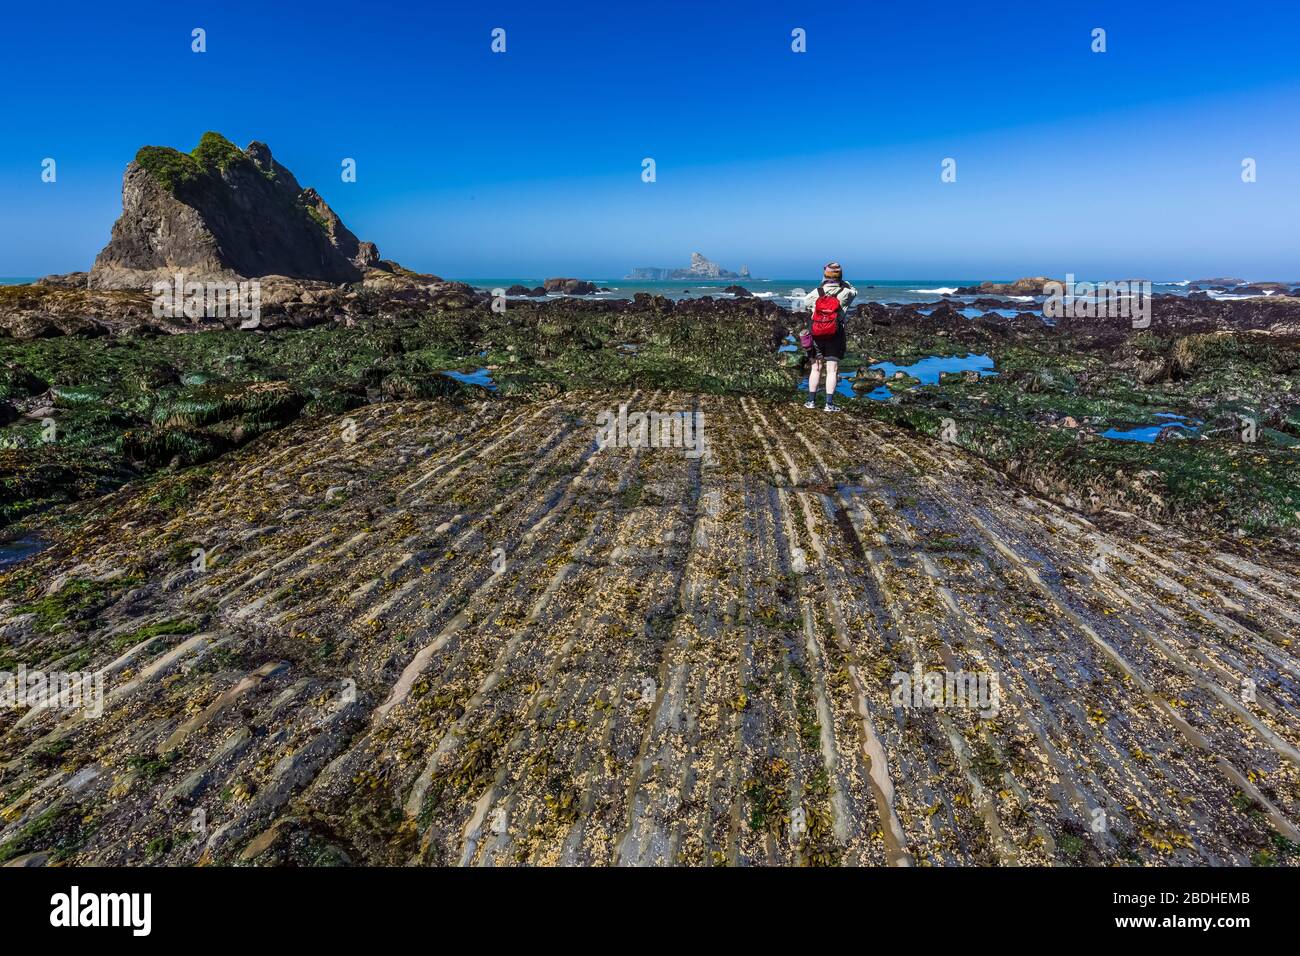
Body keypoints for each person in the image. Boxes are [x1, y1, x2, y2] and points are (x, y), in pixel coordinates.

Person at [801, 262, 856, 411]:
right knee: (832, 369)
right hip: (835, 334)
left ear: (825, 276)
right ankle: (829, 404)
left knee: (815, 367)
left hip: (816, 333)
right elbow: (854, 291)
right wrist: (843, 282)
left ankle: (811, 402)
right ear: (840, 276)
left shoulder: (816, 292)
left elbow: (806, 302)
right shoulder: (845, 293)